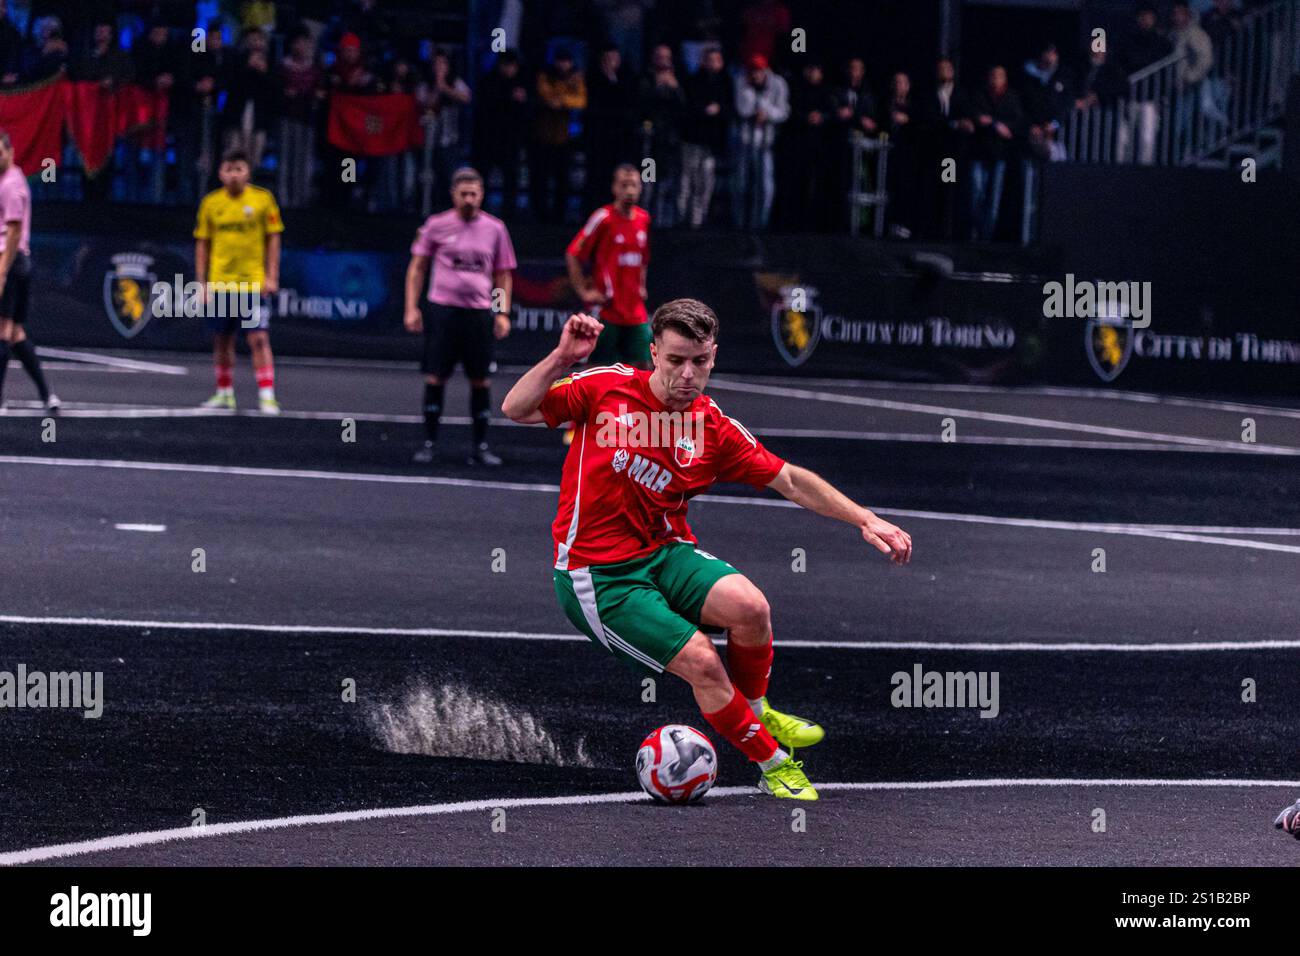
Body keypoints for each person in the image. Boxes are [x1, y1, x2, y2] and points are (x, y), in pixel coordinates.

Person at [501, 297, 913, 801]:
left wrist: (865, 518)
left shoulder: (712, 427)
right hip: (598, 574)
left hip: (664, 553)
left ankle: (759, 714)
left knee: (751, 607)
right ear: (654, 352)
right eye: (675, 360)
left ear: (713, 355)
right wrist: (563, 358)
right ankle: (774, 763)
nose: (687, 374)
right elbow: (515, 408)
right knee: (702, 663)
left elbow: (790, 480)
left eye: (699, 361)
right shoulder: (605, 386)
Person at [404, 167, 516, 465]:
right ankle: (428, 443)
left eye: (475, 193)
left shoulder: (495, 229)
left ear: (482, 195)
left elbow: (502, 274)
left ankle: (480, 447)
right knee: (435, 377)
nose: (469, 199)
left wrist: (502, 312)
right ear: (453, 194)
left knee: (481, 380)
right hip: (443, 312)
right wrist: (411, 307)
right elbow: (417, 268)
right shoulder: (436, 225)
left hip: (479, 314)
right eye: (464, 193)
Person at [194, 148, 284, 414]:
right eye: (229, 169)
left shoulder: (262, 200)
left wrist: (272, 276)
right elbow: (202, 244)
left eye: (239, 169)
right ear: (221, 173)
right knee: (222, 339)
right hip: (221, 282)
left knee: (258, 338)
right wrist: (202, 282)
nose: (234, 175)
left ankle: (267, 395)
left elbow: (274, 238)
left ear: (248, 172)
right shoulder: (211, 203)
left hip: (252, 283)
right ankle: (224, 393)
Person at [566, 164, 652, 376]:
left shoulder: (644, 219)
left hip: (635, 310)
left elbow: (644, 258)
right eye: (624, 185)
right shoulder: (602, 218)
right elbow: (574, 254)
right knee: (598, 369)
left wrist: (641, 285)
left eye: (634, 185)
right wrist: (583, 291)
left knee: (644, 366)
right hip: (607, 309)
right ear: (614, 188)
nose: (629, 191)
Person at [0, 130, 57, 411]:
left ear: (10, 152)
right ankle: (48, 396)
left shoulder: (11, 185)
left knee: (3, 330)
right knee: (16, 334)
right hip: (19, 262)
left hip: (9, 260)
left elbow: (13, 231)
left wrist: (1, 272)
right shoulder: (11, 179)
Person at [733, 54, 788, 231]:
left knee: (765, 185)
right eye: (753, 71)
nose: (755, 74)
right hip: (745, 141)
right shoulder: (742, 82)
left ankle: (762, 223)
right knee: (741, 184)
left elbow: (783, 111)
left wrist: (766, 112)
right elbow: (743, 109)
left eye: (759, 71)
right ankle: (740, 223)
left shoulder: (778, 84)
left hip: (766, 143)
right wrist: (751, 90)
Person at [677, 44, 729, 229]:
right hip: (691, 141)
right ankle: (681, 219)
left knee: (705, 184)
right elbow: (686, 108)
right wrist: (704, 110)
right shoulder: (693, 81)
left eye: (717, 60)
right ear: (703, 61)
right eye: (710, 60)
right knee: (686, 181)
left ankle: (698, 222)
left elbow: (728, 110)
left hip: (711, 144)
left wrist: (719, 110)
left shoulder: (725, 83)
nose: (713, 64)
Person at [968, 65, 1023, 241]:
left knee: (994, 198)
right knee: (976, 193)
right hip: (979, 152)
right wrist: (995, 124)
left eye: (999, 76)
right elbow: (977, 118)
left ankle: (987, 237)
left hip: (999, 154)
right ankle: (975, 231)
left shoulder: (1011, 98)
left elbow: (1015, 124)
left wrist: (993, 124)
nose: (995, 79)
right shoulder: (979, 95)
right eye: (992, 75)